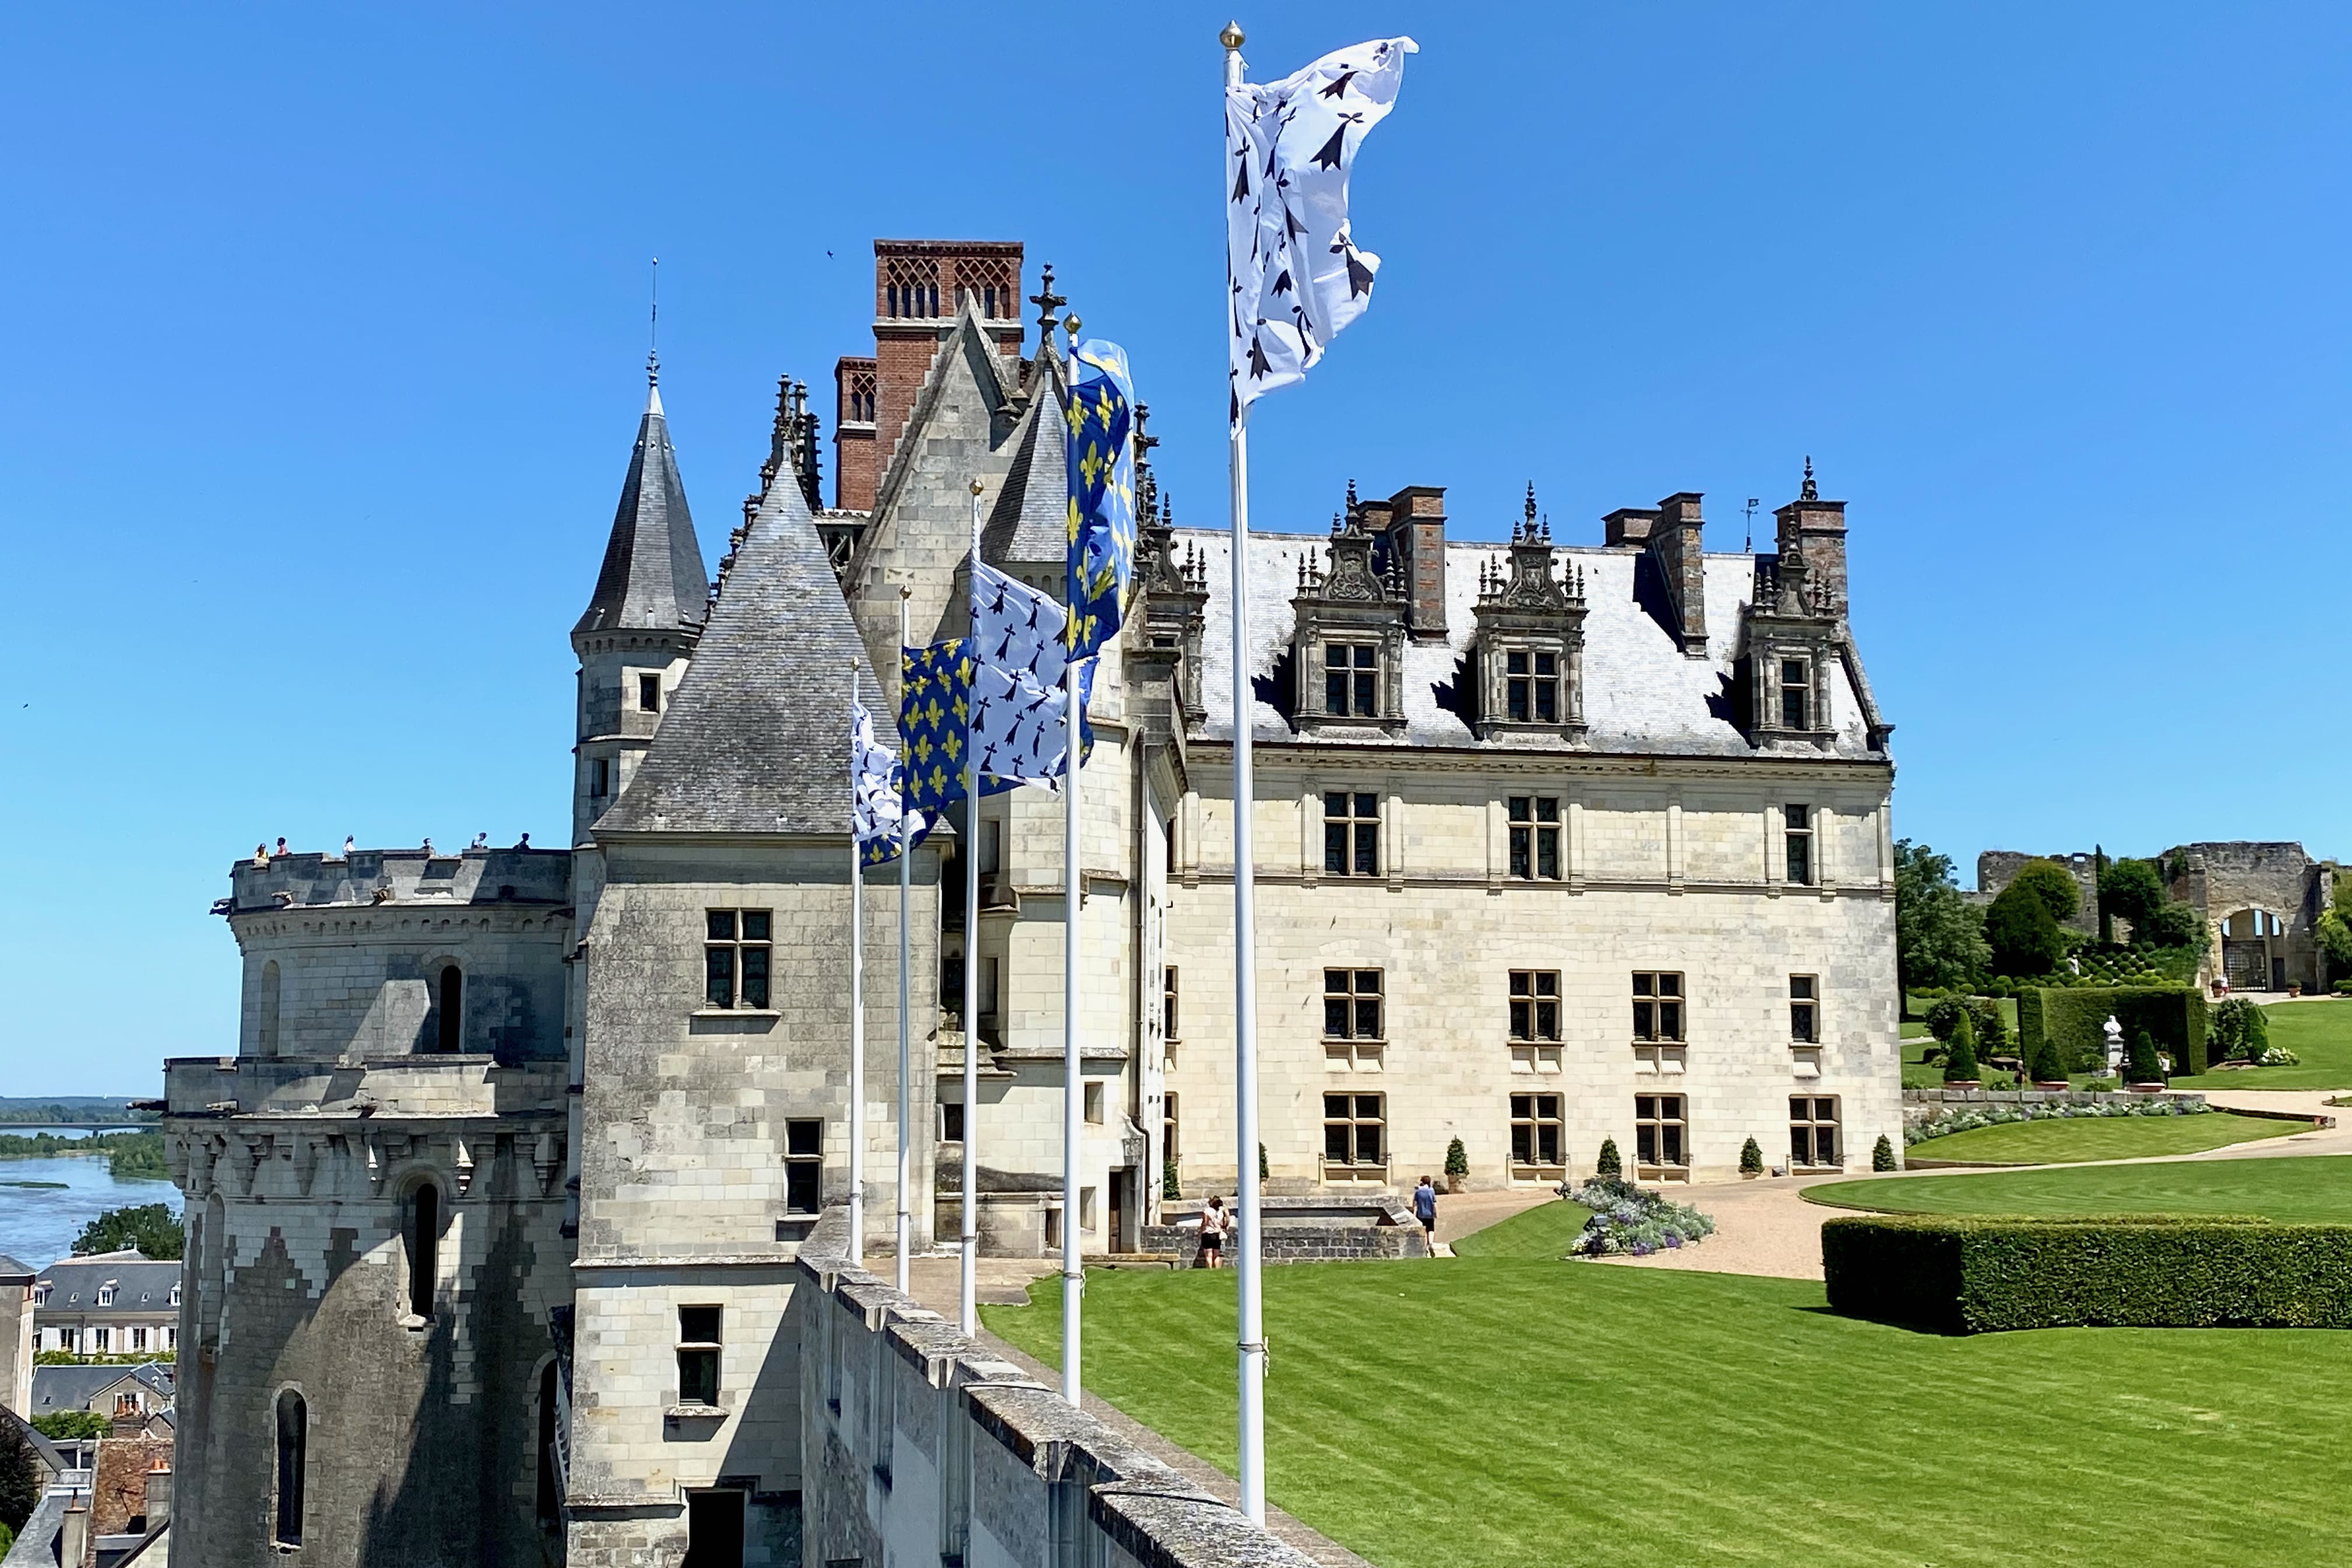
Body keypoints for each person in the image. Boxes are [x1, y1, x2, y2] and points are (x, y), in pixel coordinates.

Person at [1198, 1195, 1228, 1269]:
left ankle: (1210, 1270)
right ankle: (1217, 1270)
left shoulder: (1207, 1211)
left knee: (1209, 1255)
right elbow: (1226, 1219)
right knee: (1216, 1255)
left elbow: (1205, 1222)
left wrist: (1200, 1231)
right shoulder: (1221, 1212)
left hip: (1208, 1233)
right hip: (1217, 1234)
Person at [1413, 1174, 1438, 1244]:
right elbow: (1434, 1203)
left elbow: (1415, 1204)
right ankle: (1431, 1243)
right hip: (1430, 1213)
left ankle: (1425, 1245)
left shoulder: (1418, 1192)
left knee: (1424, 1230)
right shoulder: (1432, 1191)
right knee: (1431, 1229)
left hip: (1421, 1214)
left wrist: (1414, 1214)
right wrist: (1436, 1213)